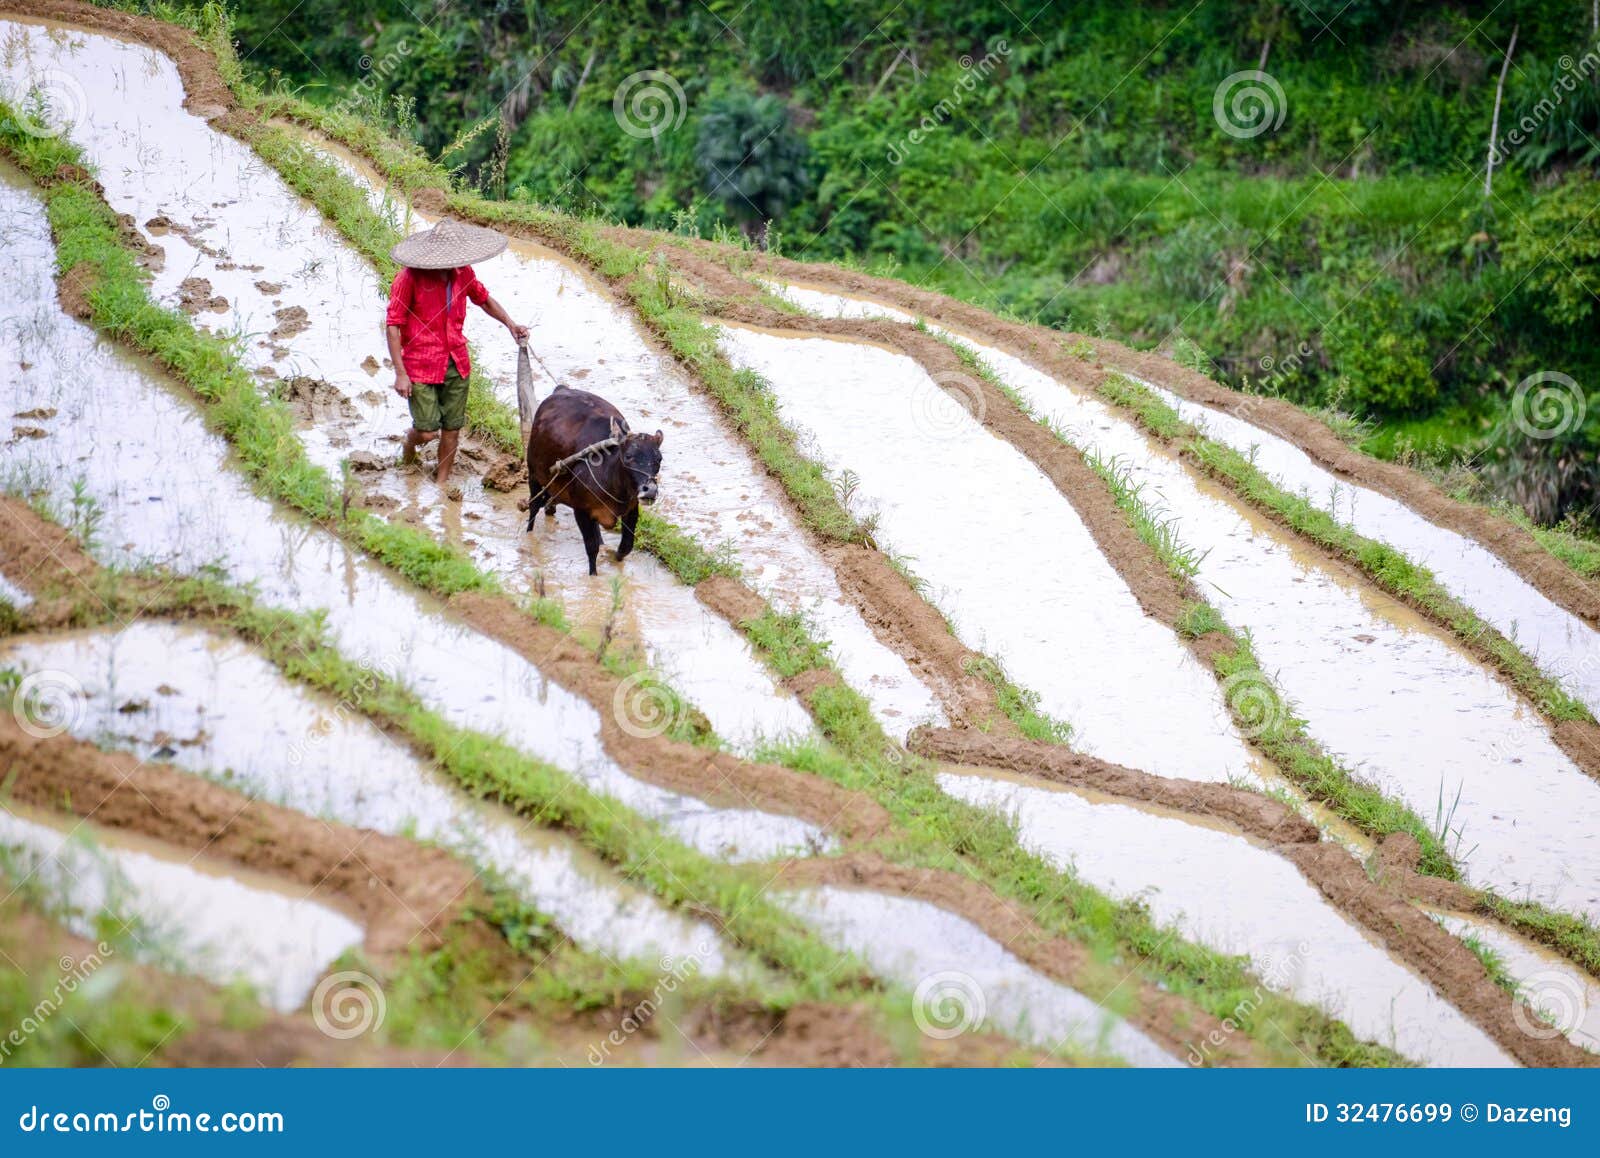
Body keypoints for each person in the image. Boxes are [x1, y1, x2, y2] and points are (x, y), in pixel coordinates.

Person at [385, 218, 529, 495]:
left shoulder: (464, 273)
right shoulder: (409, 278)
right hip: (420, 364)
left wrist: (511, 324)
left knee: (452, 428)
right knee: (427, 431)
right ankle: (409, 442)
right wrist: (400, 373)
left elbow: (483, 299)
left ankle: (441, 484)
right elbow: (393, 325)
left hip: (456, 361)